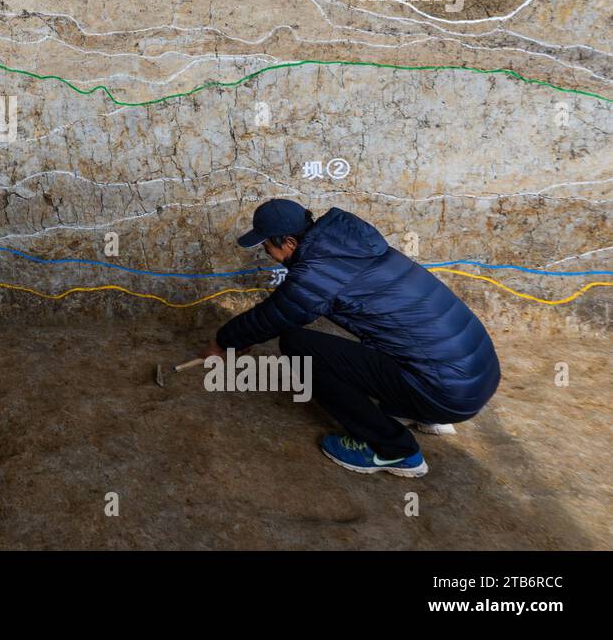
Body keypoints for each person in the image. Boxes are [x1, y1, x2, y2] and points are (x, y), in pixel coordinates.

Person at [205, 199, 500, 478]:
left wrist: (223, 343)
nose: (268, 253)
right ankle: (417, 412)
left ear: (290, 243)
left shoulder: (318, 272)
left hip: (446, 392)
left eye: (267, 246)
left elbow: (272, 317)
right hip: (476, 377)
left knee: (297, 344)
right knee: (381, 338)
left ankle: (394, 450)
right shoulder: (353, 247)